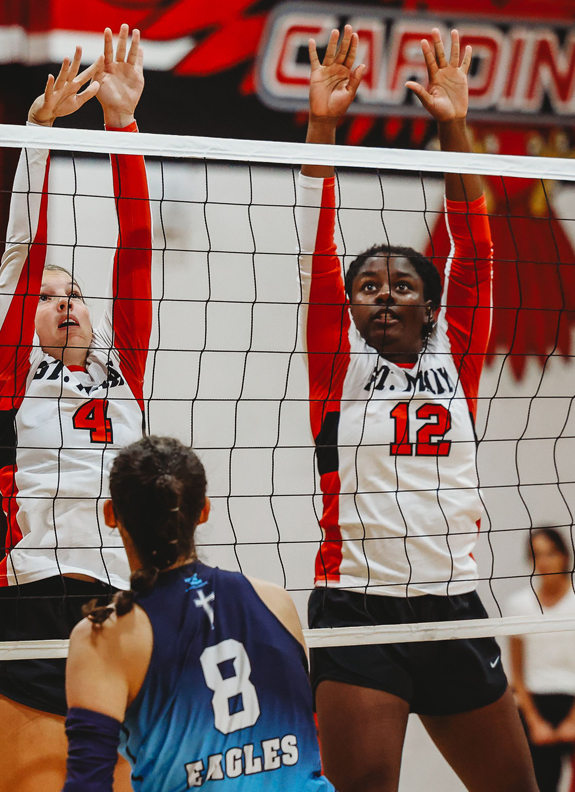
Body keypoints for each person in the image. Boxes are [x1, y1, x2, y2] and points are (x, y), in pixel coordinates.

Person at [298, 25, 539, 792]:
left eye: (402, 284)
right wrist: (323, 127)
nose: (383, 294)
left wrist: (454, 124)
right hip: (360, 610)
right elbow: (313, 238)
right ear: (348, 308)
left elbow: (478, 242)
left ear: (431, 308)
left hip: (456, 610)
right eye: (366, 286)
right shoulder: (337, 361)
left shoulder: (455, 352)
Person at [0, 25, 150, 792]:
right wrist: (38, 137)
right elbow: (26, 244)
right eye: (46, 297)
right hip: (33, 605)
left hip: (124, 608)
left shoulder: (127, 369)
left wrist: (123, 125)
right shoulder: (10, 368)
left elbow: (137, 245)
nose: (63, 301)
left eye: (72, 290)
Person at [62, 435, 334, 792]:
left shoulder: (106, 634)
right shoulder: (276, 602)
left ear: (111, 515)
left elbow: (87, 786)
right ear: (203, 510)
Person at [508, 528, 575, 792]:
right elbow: (517, 675)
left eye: (550, 553)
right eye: (536, 555)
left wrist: (572, 721)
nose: (544, 561)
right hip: (535, 705)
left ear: (565, 556)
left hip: (572, 700)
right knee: (538, 782)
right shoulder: (519, 605)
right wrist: (535, 723)